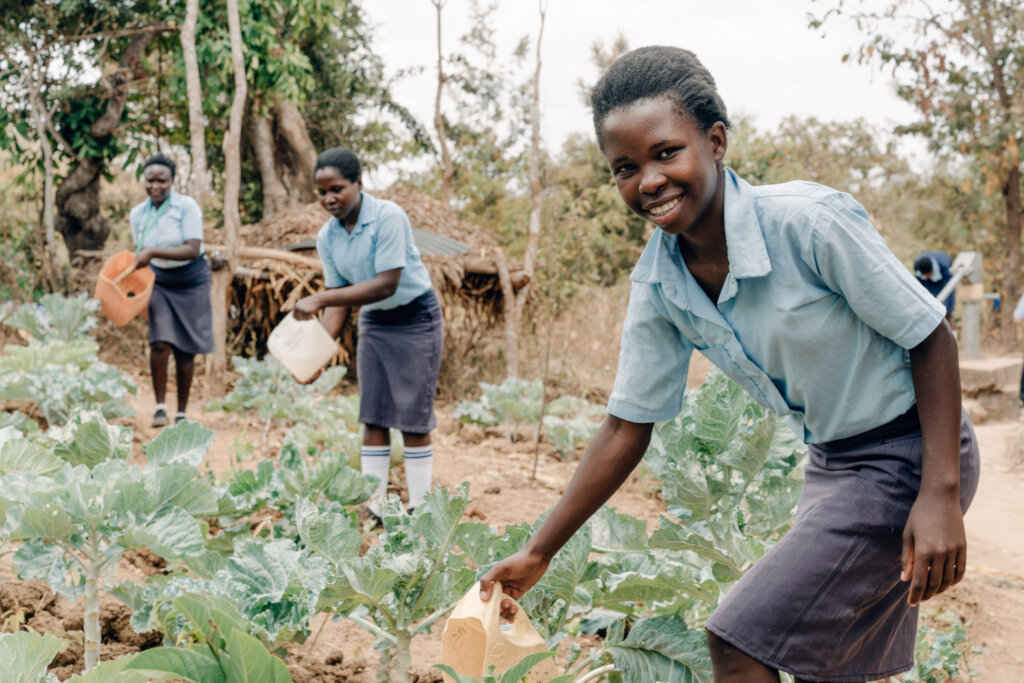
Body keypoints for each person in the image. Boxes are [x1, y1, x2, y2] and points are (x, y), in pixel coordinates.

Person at [479, 47, 980, 683]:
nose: (649, 181)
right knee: (831, 668)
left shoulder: (809, 224)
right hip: (832, 462)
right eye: (625, 168)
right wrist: (539, 552)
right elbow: (626, 426)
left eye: (667, 153)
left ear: (715, 141)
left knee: (737, 641)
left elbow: (929, 335)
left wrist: (939, 496)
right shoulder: (660, 283)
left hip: (914, 452)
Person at [294, 147, 443, 521]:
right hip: (375, 322)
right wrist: (316, 356)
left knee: (413, 418)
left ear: (359, 184)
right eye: (322, 192)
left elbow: (386, 284)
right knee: (373, 416)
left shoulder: (388, 216)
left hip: (415, 318)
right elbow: (339, 306)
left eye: (337, 189)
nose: (329, 198)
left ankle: (420, 509)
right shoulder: (327, 236)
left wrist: (321, 297)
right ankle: (374, 508)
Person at [129, 153, 214, 428]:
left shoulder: (186, 207)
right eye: (150, 180)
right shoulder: (138, 214)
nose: (156, 186)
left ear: (172, 181)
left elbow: (192, 248)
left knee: (185, 349)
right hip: (159, 281)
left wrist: (152, 251)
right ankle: (160, 407)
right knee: (160, 342)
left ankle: (182, 412)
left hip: (191, 279)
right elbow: (139, 254)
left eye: (162, 180)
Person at [914, 251, 956, 325]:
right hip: (927, 281)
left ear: (932, 271)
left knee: (946, 306)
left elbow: (949, 289)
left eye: (928, 275)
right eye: (925, 276)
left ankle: (949, 324)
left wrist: (947, 309)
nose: (926, 277)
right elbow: (921, 287)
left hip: (943, 279)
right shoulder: (917, 266)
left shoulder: (944, 265)